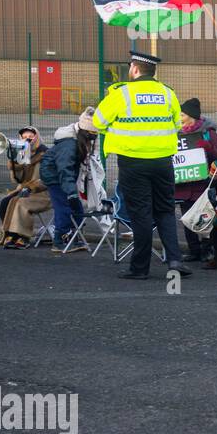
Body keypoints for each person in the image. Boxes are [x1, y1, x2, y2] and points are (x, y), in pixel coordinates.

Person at [83, 50, 189, 280]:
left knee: (141, 214)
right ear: (154, 71)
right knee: (165, 210)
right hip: (163, 161)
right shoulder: (168, 93)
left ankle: (140, 268)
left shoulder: (121, 94)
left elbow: (98, 122)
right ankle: (175, 260)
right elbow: (177, 124)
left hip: (133, 163)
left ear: (134, 69)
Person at [39, 109, 99, 253]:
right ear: (85, 133)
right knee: (64, 207)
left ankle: (71, 236)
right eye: (93, 135)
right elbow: (65, 170)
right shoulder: (69, 145)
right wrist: (71, 192)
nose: (94, 139)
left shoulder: (75, 141)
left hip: (60, 176)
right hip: (54, 177)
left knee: (77, 208)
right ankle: (59, 240)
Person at [173, 98, 217, 263]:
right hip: (182, 184)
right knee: (187, 217)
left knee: (204, 218)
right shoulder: (175, 134)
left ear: (191, 116)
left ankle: (206, 249)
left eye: (182, 114)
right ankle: (193, 250)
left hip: (202, 185)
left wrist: (208, 148)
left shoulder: (208, 133)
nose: (179, 117)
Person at [0, 125, 49, 249]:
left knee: (20, 203)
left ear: (36, 137)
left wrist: (32, 187)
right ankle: (11, 234)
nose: (28, 139)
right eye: (24, 136)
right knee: (5, 202)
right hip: (24, 189)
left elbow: (47, 178)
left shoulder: (45, 153)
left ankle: (23, 237)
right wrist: (15, 163)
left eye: (31, 136)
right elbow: (17, 180)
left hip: (42, 192)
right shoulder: (21, 153)